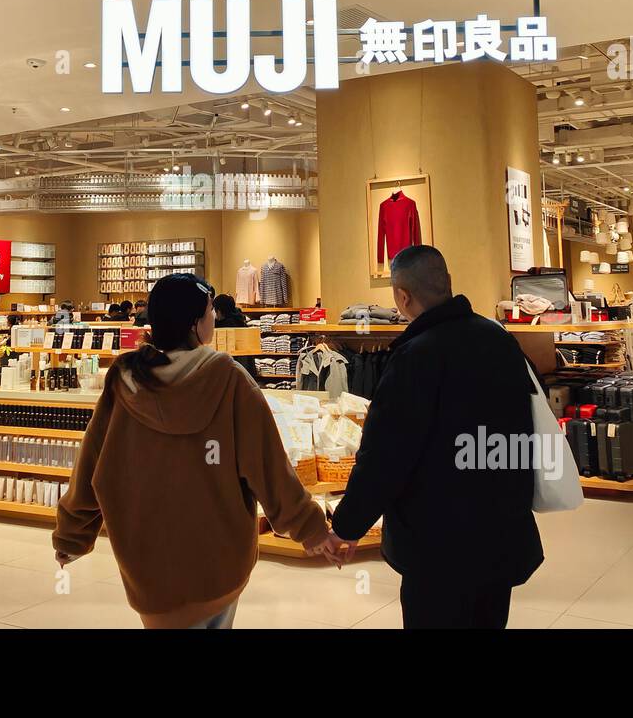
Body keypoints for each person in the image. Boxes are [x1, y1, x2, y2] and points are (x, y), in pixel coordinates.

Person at [53, 272, 338, 628]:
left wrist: (73, 534)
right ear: (195, 323)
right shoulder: (228, 379)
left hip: (147, 565)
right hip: (218, 560)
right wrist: (309, 528)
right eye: (209, 312)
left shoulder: (126, 380)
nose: (214, 319)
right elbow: (267, 466)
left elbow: (92, 462)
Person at [329, 245, 543, 628]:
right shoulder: (500, 340)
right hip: (502, 530)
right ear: (447, 283)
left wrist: (347, 527)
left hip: (437, 544)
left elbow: (385, 457)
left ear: (402, 296)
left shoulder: (415, 356)